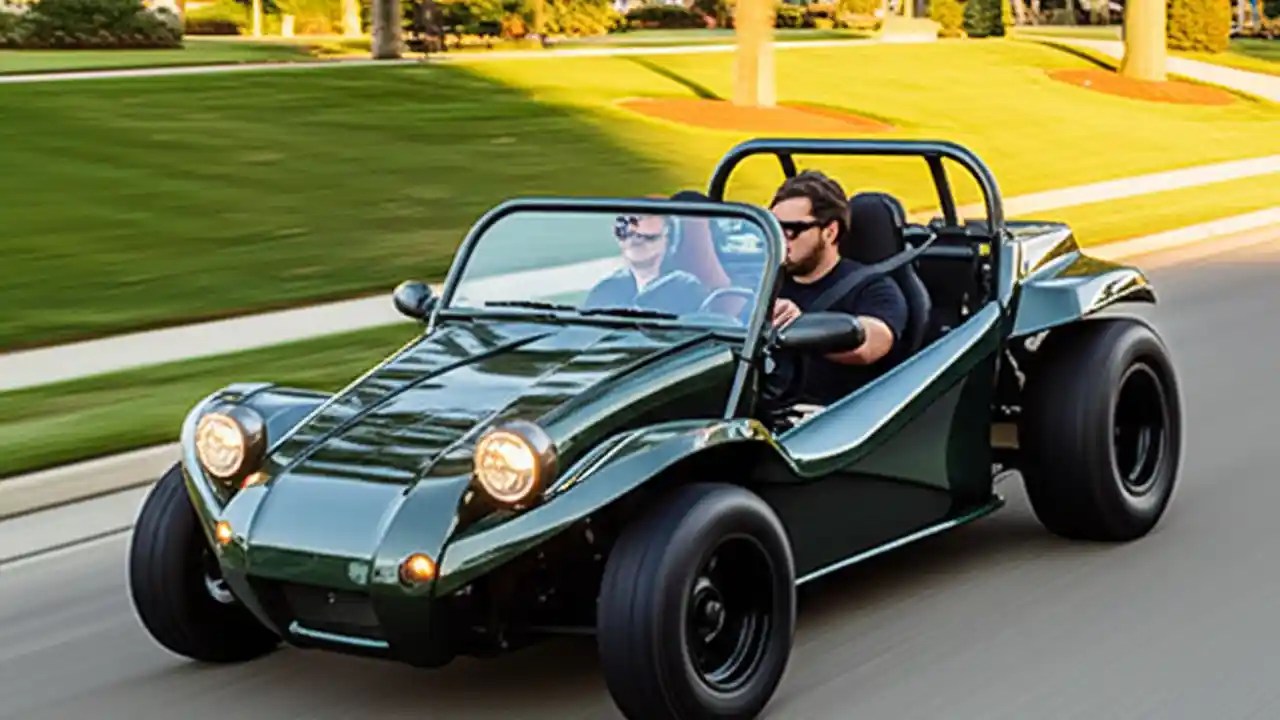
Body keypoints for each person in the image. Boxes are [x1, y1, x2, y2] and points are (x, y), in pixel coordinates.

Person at [769, 170, 909, 405]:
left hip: (830, 418)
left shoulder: (873, 288)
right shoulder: (766, 279)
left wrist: (800, 327)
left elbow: (870, 343)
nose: (781, 240)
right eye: (773, 228)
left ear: (830, 232)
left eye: (792, 230)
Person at [583, 213, 708, 315]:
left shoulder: (687, 289)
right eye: (625, 229)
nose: (634, 233)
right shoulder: (605, 291)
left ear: (668, 239)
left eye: (646, 235)